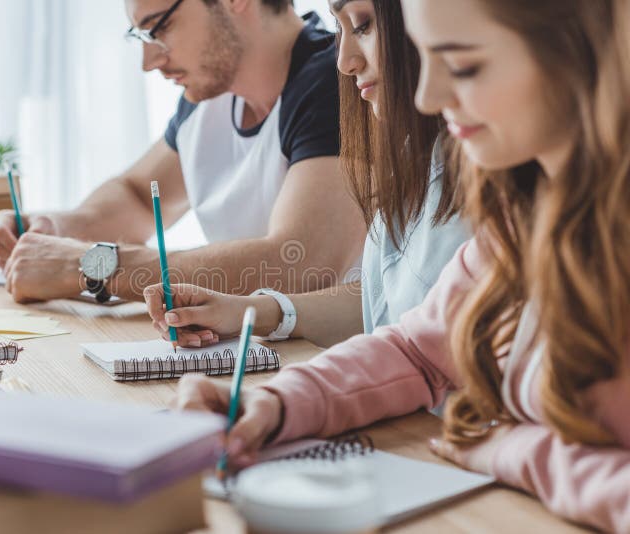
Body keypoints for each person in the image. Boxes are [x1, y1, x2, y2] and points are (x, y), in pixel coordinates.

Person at [173, 0, 630, 531]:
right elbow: (419, 350)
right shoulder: (523, 210)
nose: (427, 95)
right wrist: (279, 403)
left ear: (577, 50)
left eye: (463, 65)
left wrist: (517, 450)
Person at [0, 0, 365, 303]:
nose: (148, 61)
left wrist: (91, 266)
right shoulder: (212, 94)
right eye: (141, 36)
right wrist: (55, 230)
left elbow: (301, 265)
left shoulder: (336, 82)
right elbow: (138, 197)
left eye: (160, 27)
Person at [144, 0, 470, 350]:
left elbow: (301, 260)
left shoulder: (322, 85)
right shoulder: (420, 154)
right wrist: (249, 312)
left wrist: (111, 269)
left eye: (362, 24)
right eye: (340, 28)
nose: (344, 62)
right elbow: (386, 305)